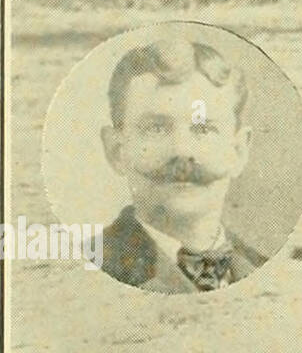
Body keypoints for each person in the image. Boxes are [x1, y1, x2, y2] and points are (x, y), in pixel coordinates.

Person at [98, 35, 266, 293]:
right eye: (156, 128)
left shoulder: (263, 269)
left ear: (239, 151)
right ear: (117, 151)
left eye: (203, 129)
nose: (182, 150)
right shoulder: (87, 266)